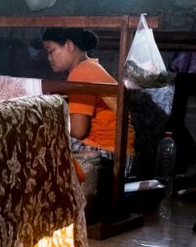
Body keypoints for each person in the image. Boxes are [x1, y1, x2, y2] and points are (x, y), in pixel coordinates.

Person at [41, 27, 135, 218]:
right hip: (123, 153)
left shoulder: (81, 73)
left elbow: (78, 130)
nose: (49, 58)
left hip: (109, 155)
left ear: (69, 46)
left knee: (40, 139)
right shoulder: (91, 67)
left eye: (51, 51)